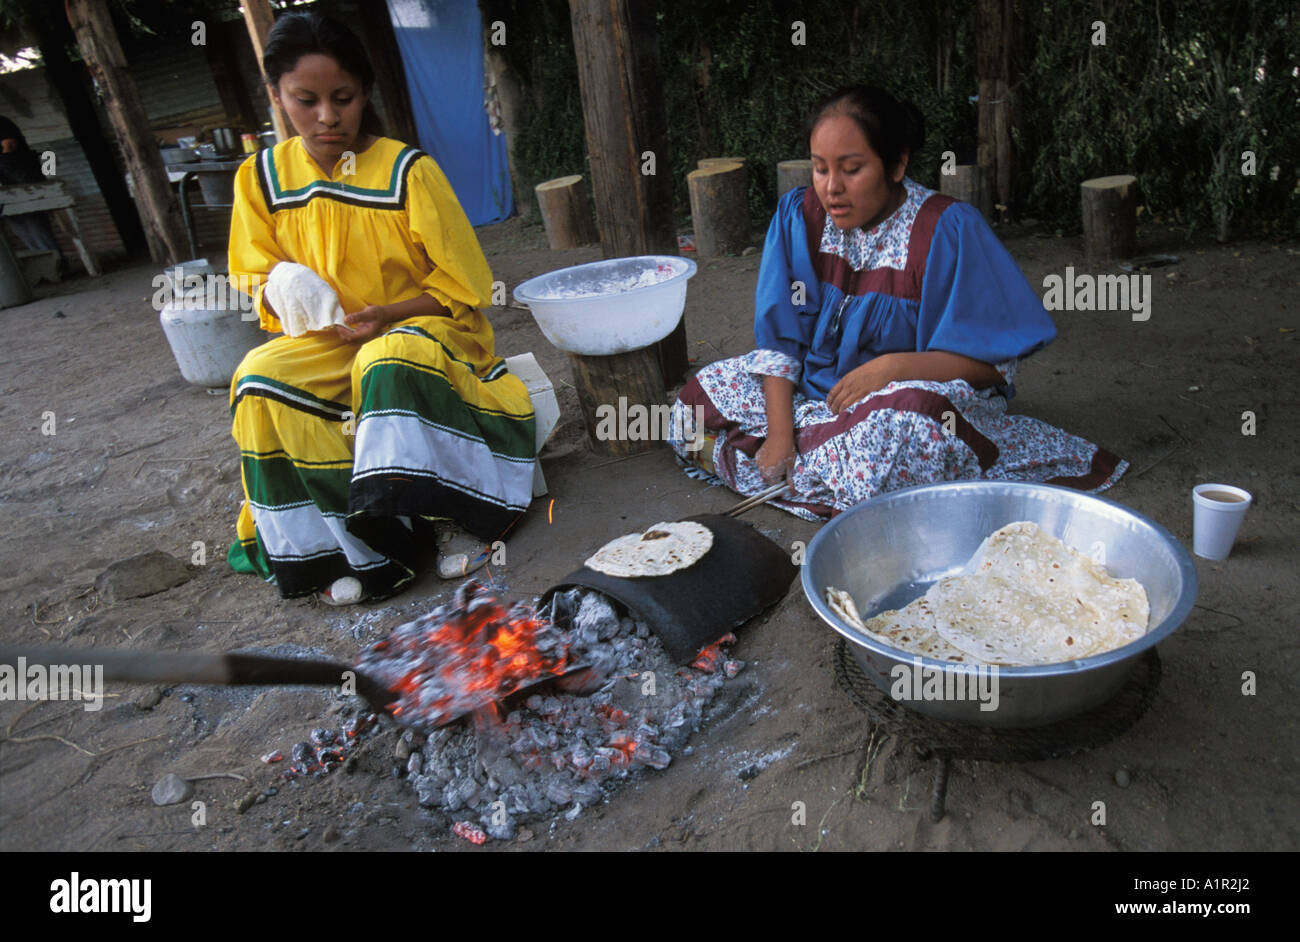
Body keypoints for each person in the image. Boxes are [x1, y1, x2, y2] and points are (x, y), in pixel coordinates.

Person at [668, 85, 1126, 519]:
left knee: (898, 432)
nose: (831, 188)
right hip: (816, 396)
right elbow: (779, 347)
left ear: (897, 164)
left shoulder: (948, 230)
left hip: (908, 402)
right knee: (693, 402)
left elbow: (994, 370)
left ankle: (806, 476)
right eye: (821, 167)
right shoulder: (799, 217)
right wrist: (781, 435)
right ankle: (819, 473)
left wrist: (891, 368)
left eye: (852, 169)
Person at [226, 12, 535, 603]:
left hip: (423, 328)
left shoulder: (406, 171)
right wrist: (282, 282)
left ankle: (453, 519)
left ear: (364, 93)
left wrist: (387, 313)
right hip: (329, 339)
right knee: (257, 377)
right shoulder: (260, 178)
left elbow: (463, 287)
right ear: (275, 95)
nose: (327, 116)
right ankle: (348, 548)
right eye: (305, 99)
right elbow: (251, 273)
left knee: (387, 359)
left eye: (342, 98)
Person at [0, 115, 64, 262]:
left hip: (21, 178)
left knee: (36, 225)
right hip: (7, 186)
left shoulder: (1, 122)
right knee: (19, 227)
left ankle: (56, 263)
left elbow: (9, 145)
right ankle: (47, 265)